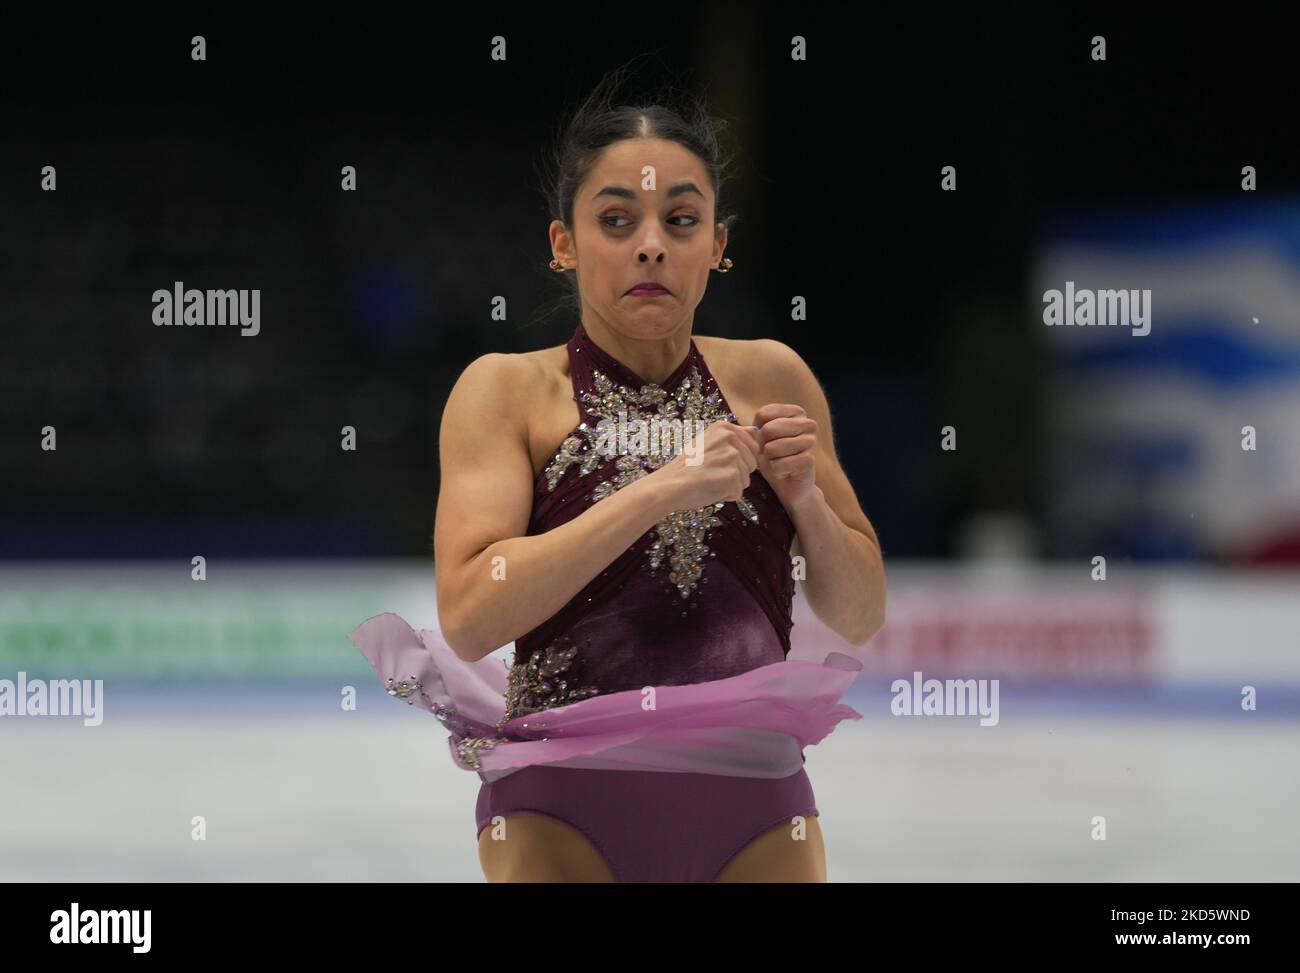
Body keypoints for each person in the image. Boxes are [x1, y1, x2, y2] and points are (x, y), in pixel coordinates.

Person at [350, 72, 885, 882]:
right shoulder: (507, 391)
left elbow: (860, 612)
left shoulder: (773, 376)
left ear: (718, 244)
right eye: (615, 220)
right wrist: (663, 487)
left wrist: (804, 497)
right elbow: (468, 613)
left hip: (755, 797)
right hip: (562, 799)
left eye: (680, 220)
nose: (650, 245)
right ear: (563, 242)